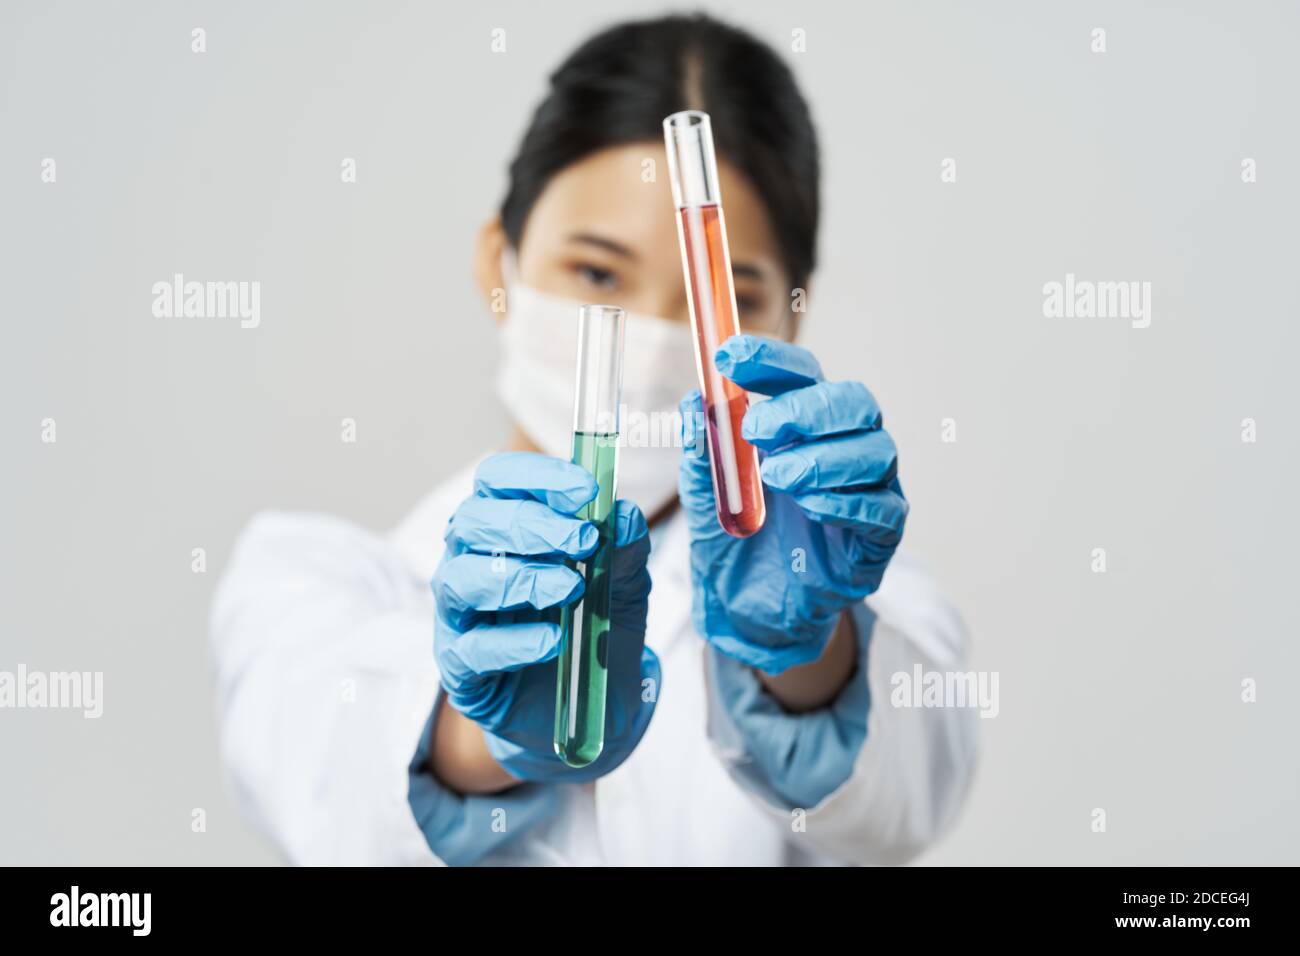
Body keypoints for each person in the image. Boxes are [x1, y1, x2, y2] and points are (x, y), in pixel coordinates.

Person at [210, 13, 978, 866]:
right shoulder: (310, 582)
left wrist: (804, 653)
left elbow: (903, 805)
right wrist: (481, 730)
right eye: (597, 273)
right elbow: (323, 772)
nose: (650, 333)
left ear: (791, 315)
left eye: (717, 292)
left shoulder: (870, 596)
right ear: (497, 261)